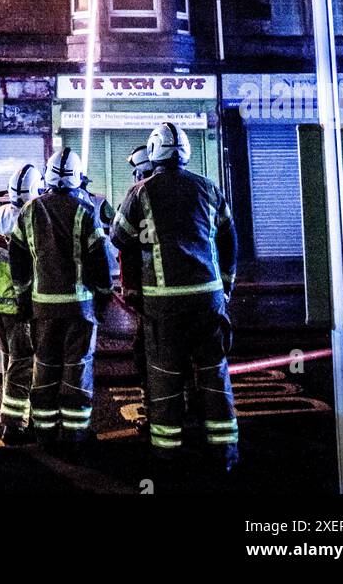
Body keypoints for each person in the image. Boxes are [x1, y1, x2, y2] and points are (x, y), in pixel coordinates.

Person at [110, 122, 239, 471]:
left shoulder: (140, 193)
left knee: (165, 375)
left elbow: (119, 237)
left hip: (165, 306)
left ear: (153, 154)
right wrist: (225, 285)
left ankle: (167, 452)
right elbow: (229, 240)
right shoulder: (209, 189)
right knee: (214, 374)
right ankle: (225, 451)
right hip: (209, 302)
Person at [9, 147, 113, 450]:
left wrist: (23, 297)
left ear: (48, 177)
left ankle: (44, 432)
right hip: (79, 308)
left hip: (42, 308)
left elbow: (18, 259)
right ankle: (75, 433)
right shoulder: (84, 212)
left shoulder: (29, 211)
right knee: (77, 368)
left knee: (45, 367)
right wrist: (104, 298)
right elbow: (99, 260)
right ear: (77, 178)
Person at [0, 162, 42, 445]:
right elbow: (30, 266)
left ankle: (15, 415)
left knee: (10, 360)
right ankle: (14, 424)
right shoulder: (30, 220)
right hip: (19, 305)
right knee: (22, 362)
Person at [121, 144, 154, 413]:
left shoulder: (138, 195)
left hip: (156, 297)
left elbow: (119, 237)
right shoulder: (200, 189)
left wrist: (130, 290)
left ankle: (155, 409)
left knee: (147, 354)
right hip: (205, 298)